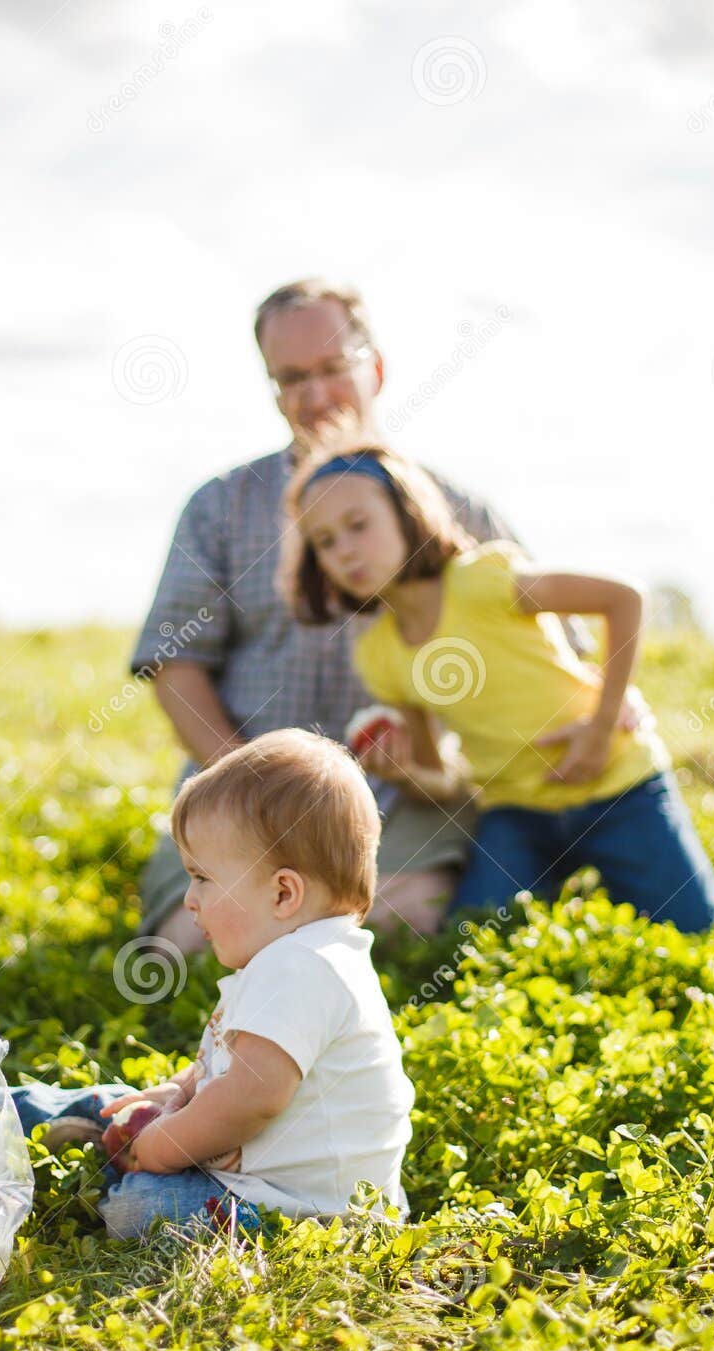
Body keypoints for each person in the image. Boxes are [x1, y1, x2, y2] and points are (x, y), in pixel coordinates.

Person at [129, 277, 528, 950]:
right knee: (187, 946)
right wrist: (253, 789)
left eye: (332, 369)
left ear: (376, 369)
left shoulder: (457, 508)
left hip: (405, 799)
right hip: (240, 793)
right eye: (291, 379)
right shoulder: (219, 506)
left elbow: (545, 649)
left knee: (397, 921)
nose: (315, 397)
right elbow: (175, 667)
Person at [278, 430, 714, 933]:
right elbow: (440, 779)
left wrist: (602, 725)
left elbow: (624, 599)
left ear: (406, 512)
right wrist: (406, 775)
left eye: (358, 525)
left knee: (704, 936)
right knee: (468, 940)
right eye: (325, 542)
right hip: (517, 816)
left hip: (620, 789)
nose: (345, 551)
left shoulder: (483, 579)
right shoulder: (378, 655)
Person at [14, 730, 416, 1238]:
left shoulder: (303, 968)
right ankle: (34, 1119)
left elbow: (252, 1097)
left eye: (202, 877)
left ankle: (73, 1150)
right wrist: (180, 1093)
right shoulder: (297, 957)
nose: (189, 899)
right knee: (123, 1106)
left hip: (302, 1213)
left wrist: (161, 1147)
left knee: (142, 1204)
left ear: (283, 893)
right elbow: (231, 1065)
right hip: (253, 1184)